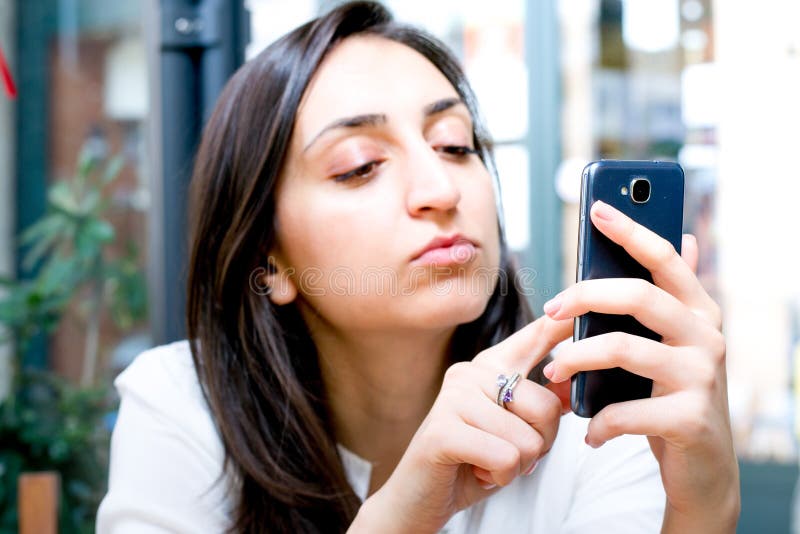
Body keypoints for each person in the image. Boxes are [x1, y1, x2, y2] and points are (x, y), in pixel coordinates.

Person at [96, 2, 740, 532]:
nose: (440, 186)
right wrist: (403, 513)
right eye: (359, 165)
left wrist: (703, 512)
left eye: (456, 145)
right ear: (269, 260)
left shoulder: (603, 420)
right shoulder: (182, 406)